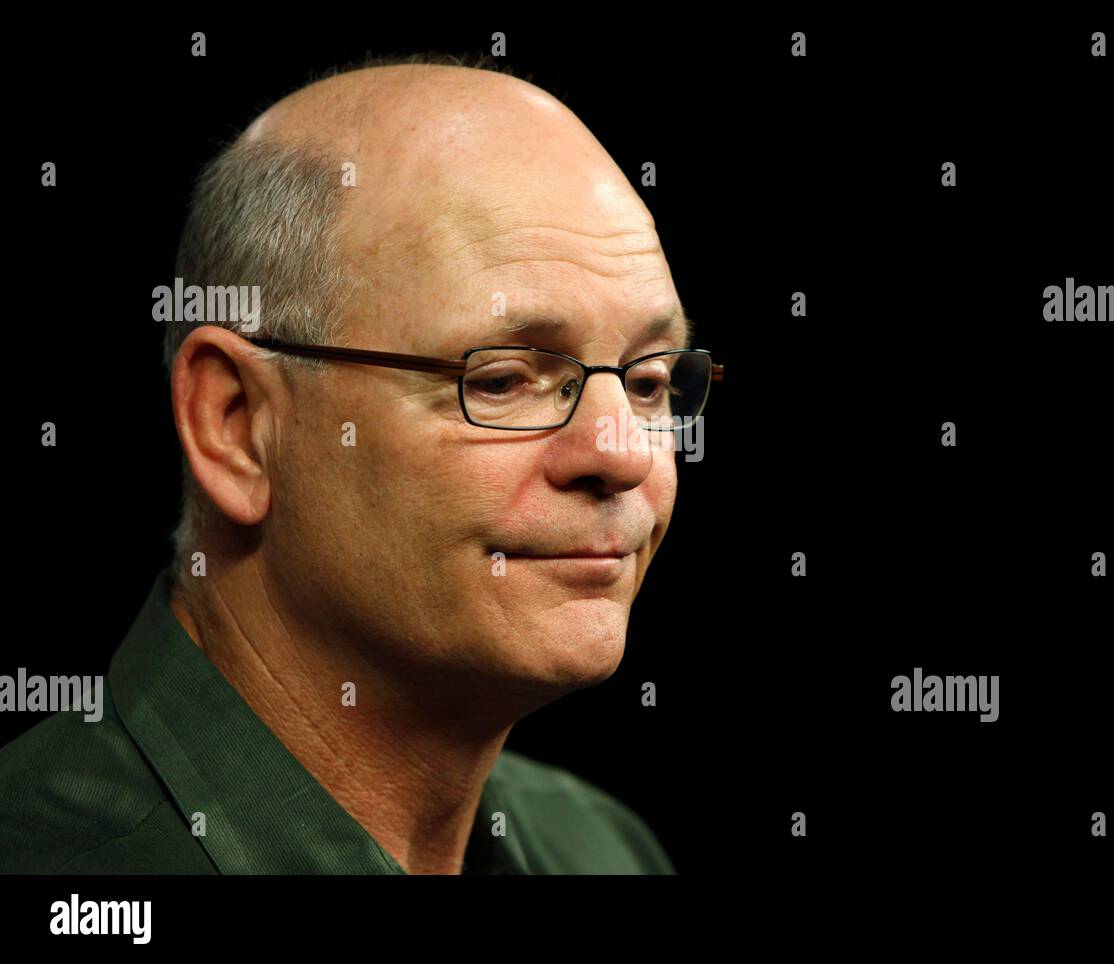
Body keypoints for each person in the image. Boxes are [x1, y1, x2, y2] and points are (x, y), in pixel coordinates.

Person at [0, 52, 721, 874]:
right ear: (236, 425)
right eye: (503, 380)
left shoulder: (603, 851)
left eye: (649, 380)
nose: (621, 453)